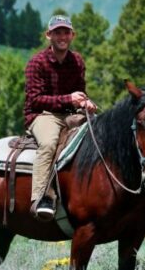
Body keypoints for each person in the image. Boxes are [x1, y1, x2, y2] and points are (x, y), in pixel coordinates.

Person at [25, 15, 97, 222]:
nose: (62, 36)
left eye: (66, 32)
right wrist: (69, 99)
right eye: (57, 32)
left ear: (72, 35)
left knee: (100, 133)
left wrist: (85, 103)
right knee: (48, 144)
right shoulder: (36, 63)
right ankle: (40, 198)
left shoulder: (77, 61)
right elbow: (35, 100)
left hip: (70, 113)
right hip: (42, 115)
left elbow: (80, 92)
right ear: (49, 35)